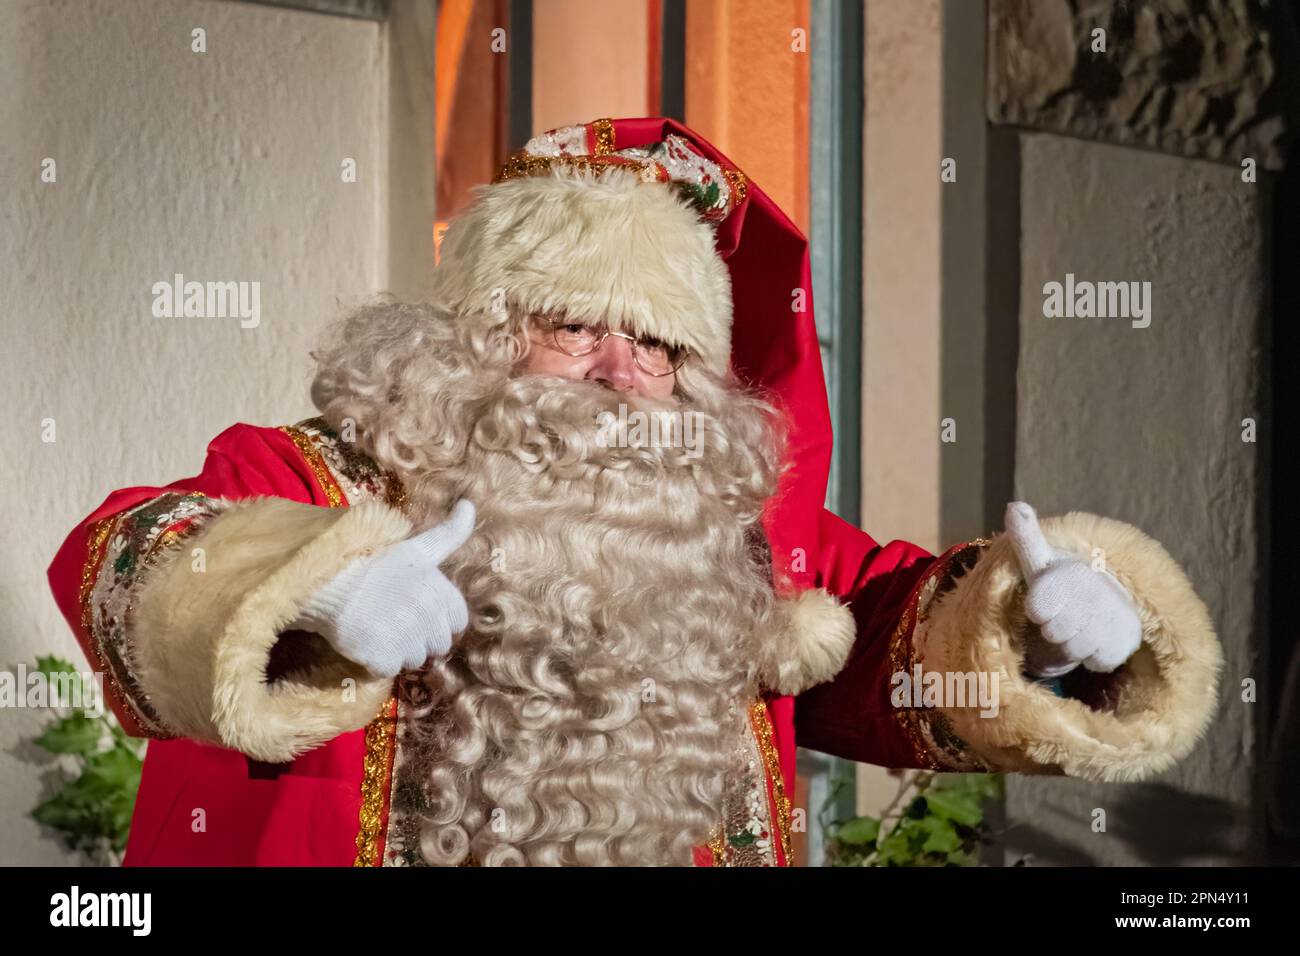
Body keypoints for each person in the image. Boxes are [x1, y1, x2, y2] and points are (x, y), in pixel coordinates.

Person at [47, 117, 1223, 867]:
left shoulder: (729, 545)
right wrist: (307, 594)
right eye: (571, 326)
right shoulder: (312, 474)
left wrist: (1050, 634)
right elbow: (122, 554)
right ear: (480, 335)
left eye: (657, 346)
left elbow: (886, 641)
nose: (619, 375)